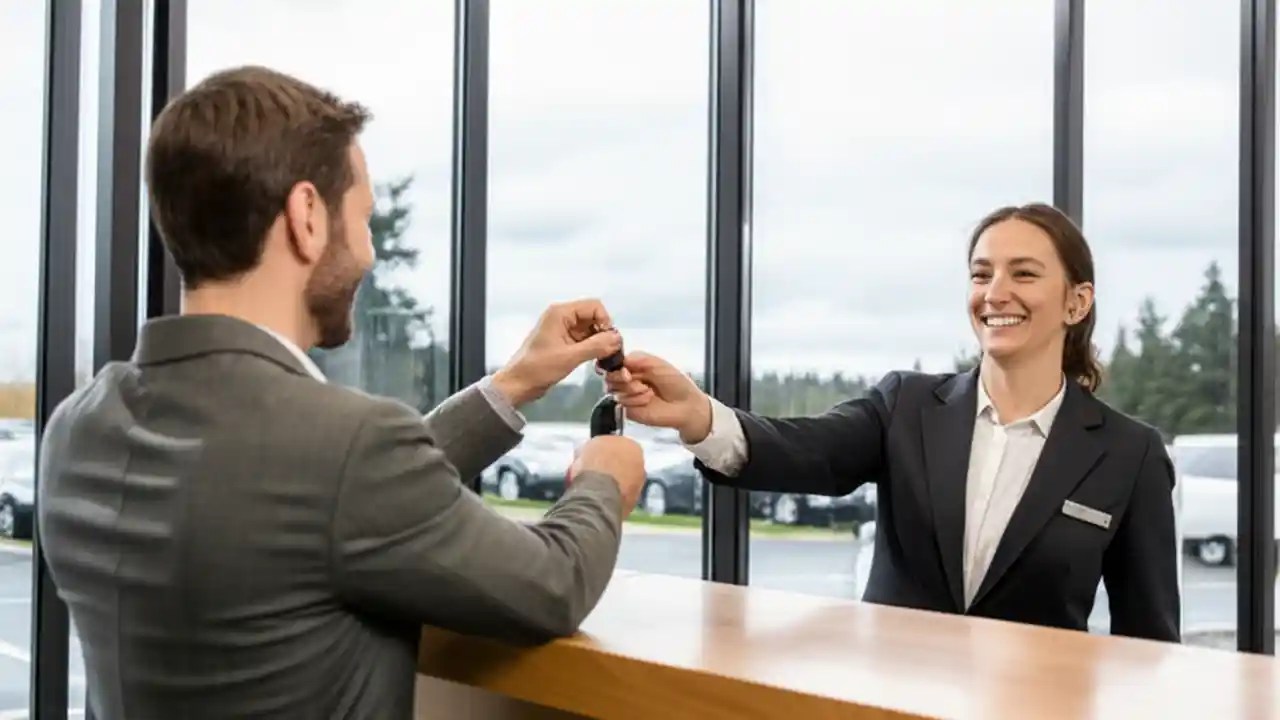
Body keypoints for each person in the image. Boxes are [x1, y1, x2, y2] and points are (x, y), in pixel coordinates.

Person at [36, 65, 647, 720]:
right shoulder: (344, 450)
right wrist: (602, 482)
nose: (369, 252)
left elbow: (309, 497)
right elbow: (549, 586)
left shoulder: (80, 426)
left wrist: (512, 385)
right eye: (364, 219)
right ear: (305, 215)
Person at [607, 202, 1181, 642]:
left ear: (1077, 303)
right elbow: (808, 450)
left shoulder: (1131, 456)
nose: (995, 293)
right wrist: (697, 416)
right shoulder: (905, 405)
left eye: (1024, 274)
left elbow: (1150, 644)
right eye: (981, 275)